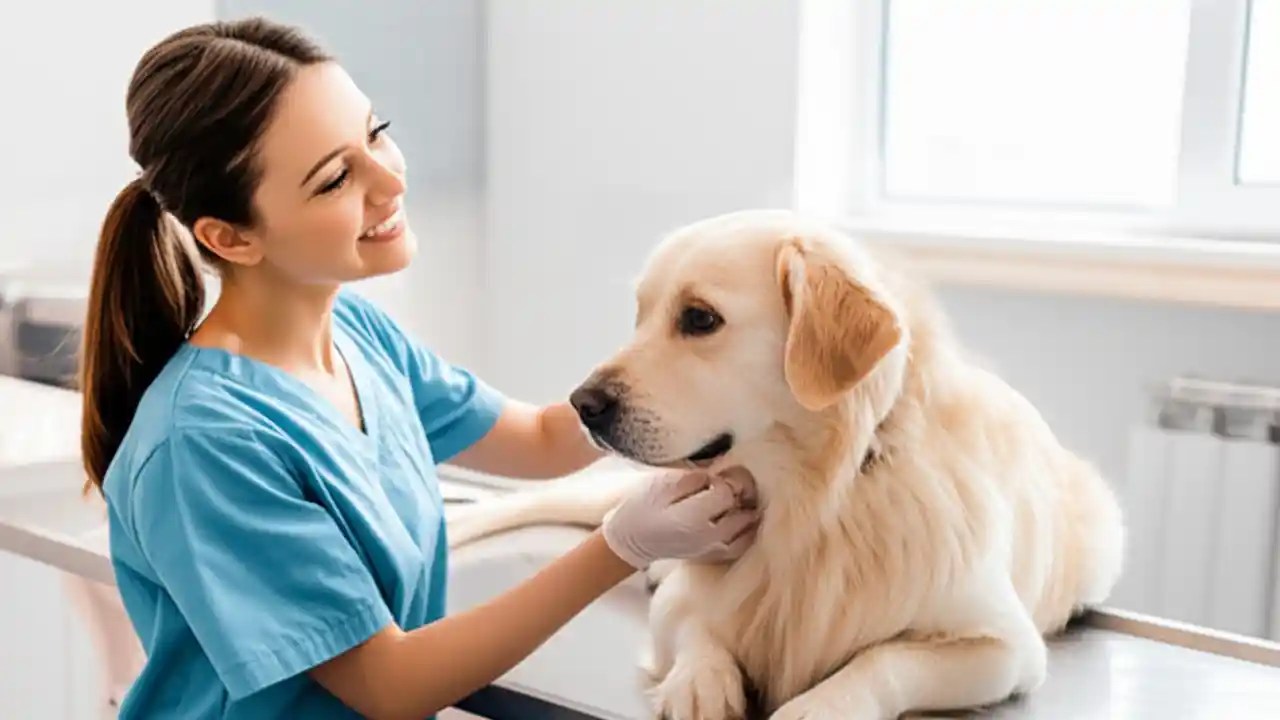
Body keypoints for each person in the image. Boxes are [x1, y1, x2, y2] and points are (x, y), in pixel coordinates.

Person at [78, 17, 760, 720]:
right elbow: (389, 686)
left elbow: (540, 439)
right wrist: (623, 544)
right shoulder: (206, 443)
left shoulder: (357, 338)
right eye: (337, 178)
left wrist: (692, 374)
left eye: (375, 133)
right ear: (231, 237)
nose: (390, 178)